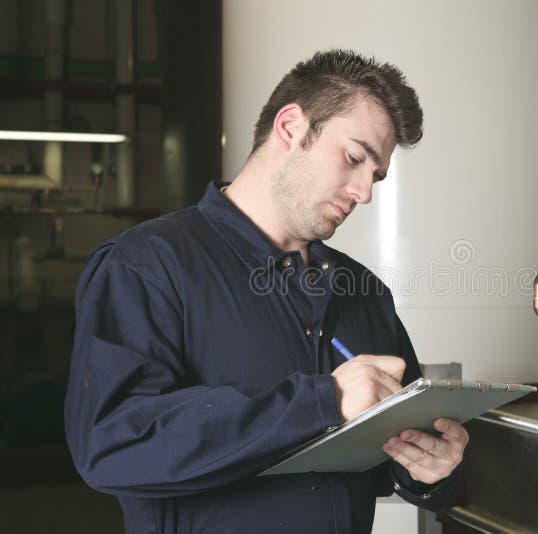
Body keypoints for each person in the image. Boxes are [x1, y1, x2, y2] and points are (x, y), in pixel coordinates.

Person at [64, 49, 468, 533]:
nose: (364, 193)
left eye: (375, 175)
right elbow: (113, 445)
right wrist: (323, 401)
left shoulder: (364, 293)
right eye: (354, 158)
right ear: (290, 127)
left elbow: (396, 452)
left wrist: (429, 470)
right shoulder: (147, 265)